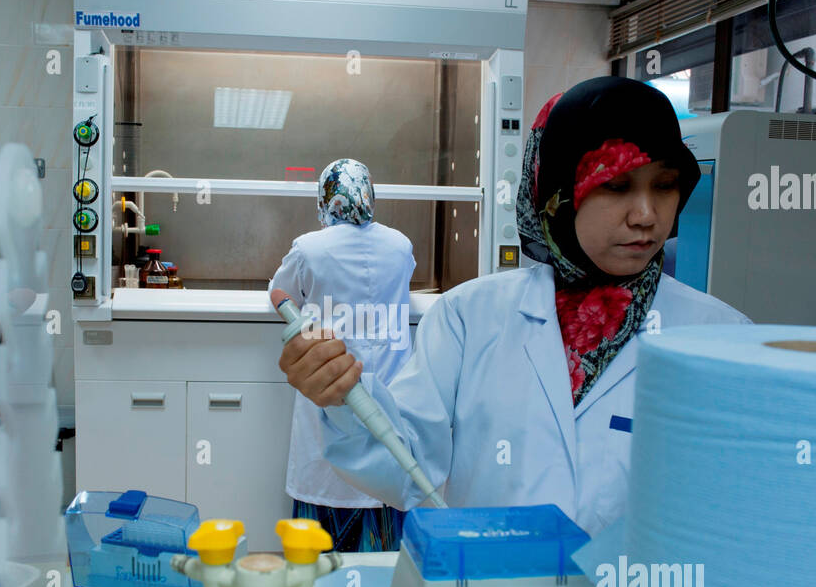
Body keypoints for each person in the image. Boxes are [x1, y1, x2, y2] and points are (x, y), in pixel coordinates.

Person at [278, 77, 751, 537]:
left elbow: (739, 510)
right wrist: (341, 398)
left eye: (664, 184)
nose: (646, 215)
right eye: (617, 186)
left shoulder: (723, 338)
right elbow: (406, 469)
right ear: (558, 194)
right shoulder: (470, 316)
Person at [269, 158, 416, 551]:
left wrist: (302, 318)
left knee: (319, 557)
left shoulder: (309, 248)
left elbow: (279, 293)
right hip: (389, 398)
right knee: (385, 551)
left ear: (325, 198)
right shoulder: (400, 246)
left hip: (328, 391)